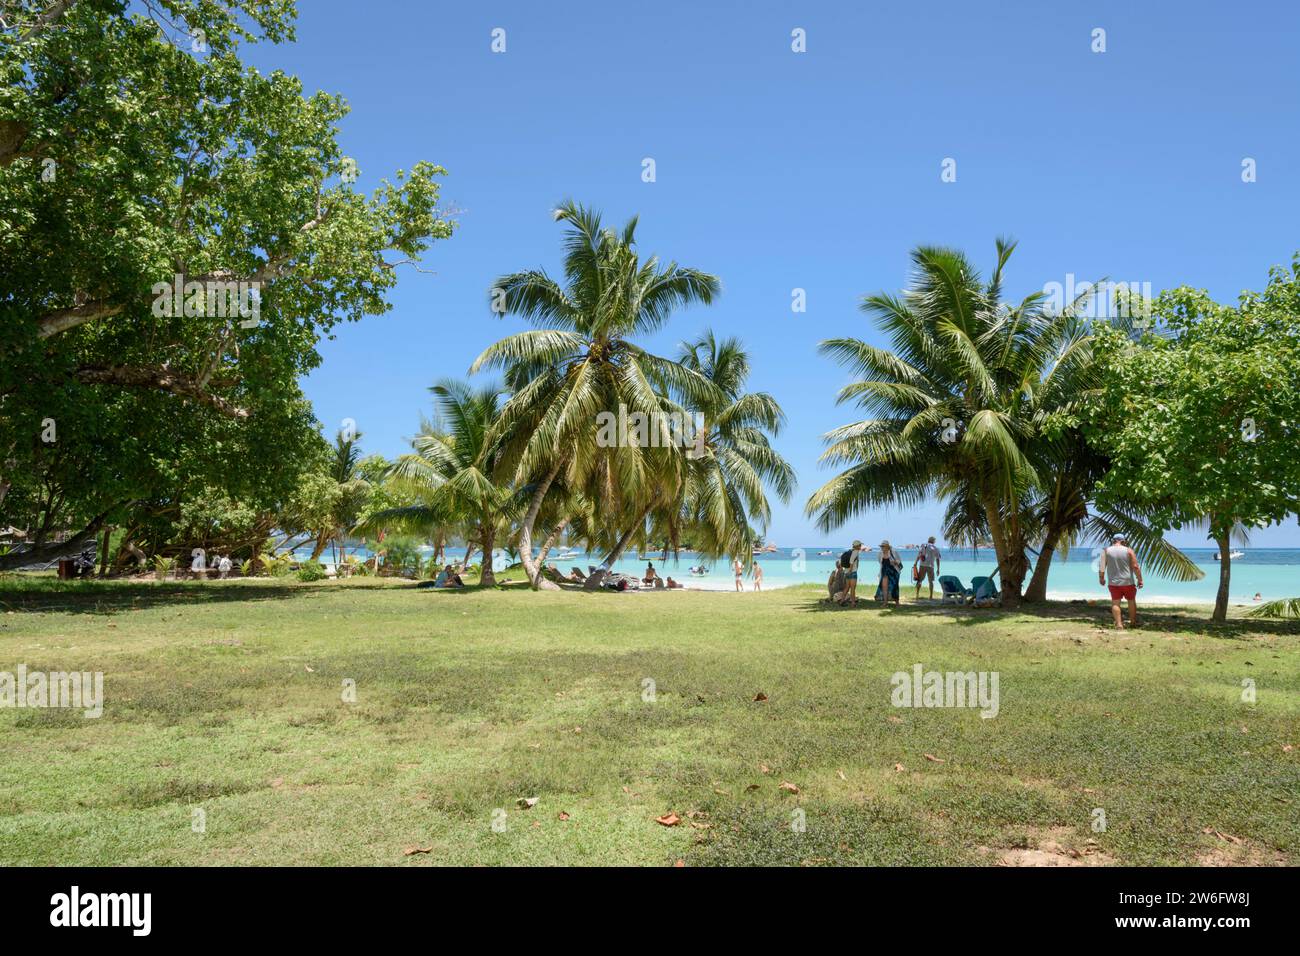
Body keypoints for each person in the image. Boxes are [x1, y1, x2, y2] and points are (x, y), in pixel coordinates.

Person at [1099, 534, 1143, 628]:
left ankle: (1119, 624)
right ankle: (1133, 622)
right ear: (1123, 541)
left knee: (1115, 603)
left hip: (1113, 583)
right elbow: (1135, 567)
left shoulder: (1106, 551)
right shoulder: (1129, 551)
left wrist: (1101, 578)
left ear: (1113, 540)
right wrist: (1140, 580)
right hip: (1128, 582)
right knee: (1131, 601)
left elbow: (1102, 566)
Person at [913, 536, 941, 600]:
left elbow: (919, 555)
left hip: (922, 565)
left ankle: (917, 594)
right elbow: (938, 559)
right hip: (931, 566)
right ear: (934, 541)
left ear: (928, 540)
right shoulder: (935, 548)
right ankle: (931, 596)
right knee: (931, 581)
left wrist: (916, 562)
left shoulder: (923, 545)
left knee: (919, 580)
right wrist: (938, 569)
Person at [875, 540, 902, 605]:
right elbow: (880, 562)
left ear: (887, 547)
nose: (882, 548)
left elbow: (899, 561)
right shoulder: (880, 553)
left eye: (883, 546)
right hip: (884, 571)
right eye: (881, 546)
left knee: (894, 587)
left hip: (893, 571)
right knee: (884, 587)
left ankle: (897, 602)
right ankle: (885, 602)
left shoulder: (894, 552)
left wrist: (895, 562)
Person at [840, 540, 863, 607]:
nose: (860, 546)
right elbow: (851, 562)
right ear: (857, 546)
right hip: (852, 572)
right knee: (853, 588)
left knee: (847, 587)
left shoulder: (850, 551)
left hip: (847, 572)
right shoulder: (855, 552)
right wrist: (850, 571)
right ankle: (853, 603)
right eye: (860, 545)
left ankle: (842, 601)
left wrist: (848, 571)